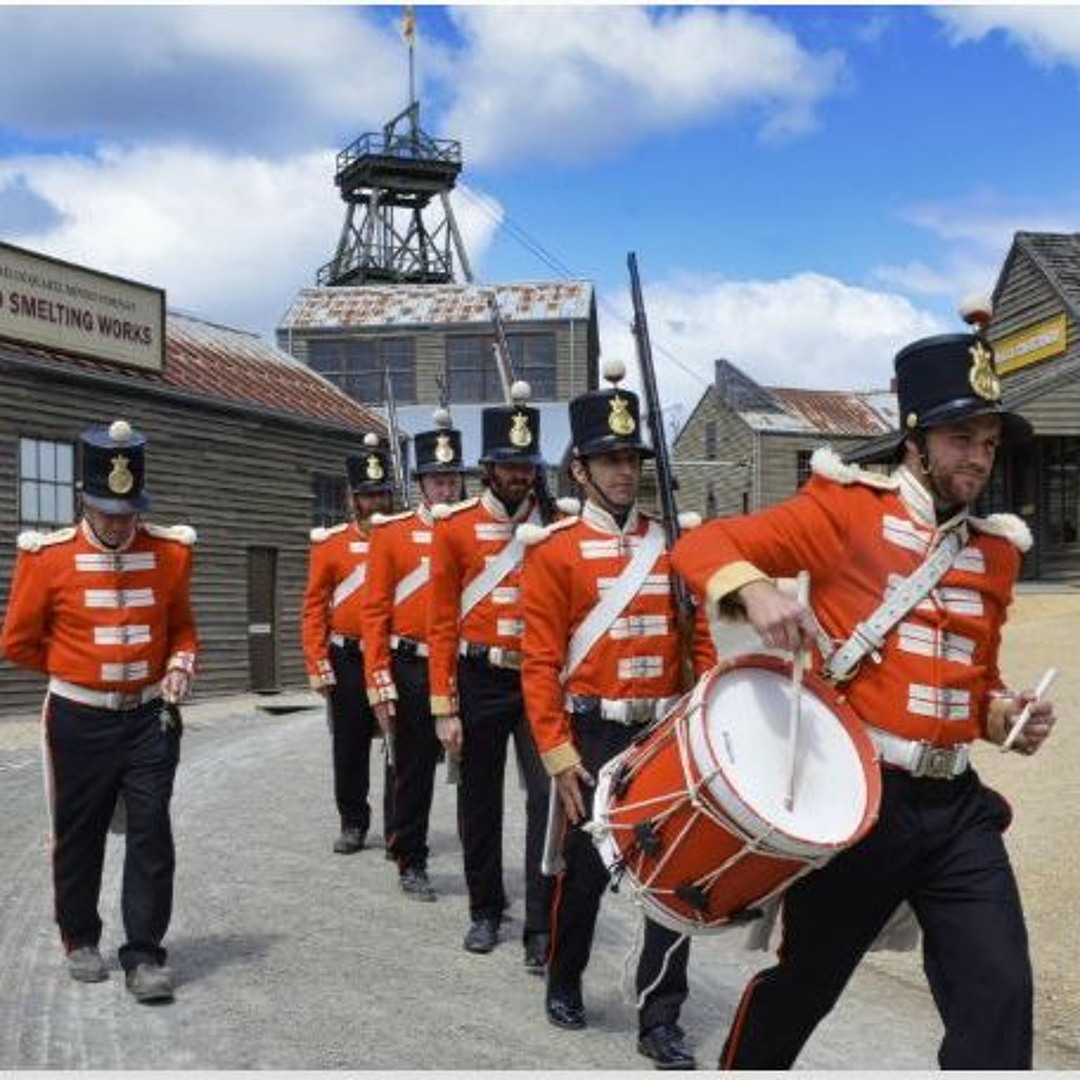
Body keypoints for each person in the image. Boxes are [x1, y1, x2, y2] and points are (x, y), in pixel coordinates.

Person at [670, 326, 1058, 1070]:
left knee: (999, 990)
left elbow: (972, 689)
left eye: (988, 442)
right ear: (915, 438)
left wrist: (1006, 717)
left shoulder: (998, 552)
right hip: (865, 803)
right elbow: (702, 547)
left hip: (957, 813)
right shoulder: (844, 510)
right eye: (960, 438)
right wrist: (753, 589)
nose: (978, 457)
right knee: (806, 987)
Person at [520, 363, 716, 1069]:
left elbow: (702, 645)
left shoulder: (675, 544)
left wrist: (709, 711)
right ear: (581, 468)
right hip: (591, 733)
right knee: (581, 868)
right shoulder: (555, 555)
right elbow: (539, 663)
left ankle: (660, 1014)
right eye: (611, 458)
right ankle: (566, 974)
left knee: (674, 877)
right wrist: (556, 751)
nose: (625, 471)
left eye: (633, 458)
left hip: (663, 731)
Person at [1, 419, 198, 1003]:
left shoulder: (169, 553)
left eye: (128, 511)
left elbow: (183, 628)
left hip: (148, 717)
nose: (119, 523)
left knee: (151, 832)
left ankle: (144, 953)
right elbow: (17, 641)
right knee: (78, 832)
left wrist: (180, 664)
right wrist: (77, 670)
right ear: (84, 503)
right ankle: (79, 936)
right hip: (78, 717)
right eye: (107, 511)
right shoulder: (47, 559)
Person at [426, 381, 554, 971]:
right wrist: (442, 705)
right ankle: (485, 908)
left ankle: (540, 922)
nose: (518, 476)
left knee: (548, 798)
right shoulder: (453, 529)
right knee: (478, 800)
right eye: (508, 466)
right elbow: (441, 623)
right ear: (488, 468)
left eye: (527, 466)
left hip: (537, 678)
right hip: (477, 679)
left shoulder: (558, 525)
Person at [361, 408, 467, 902]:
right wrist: (378, 681)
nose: (446, 489)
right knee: (413, 769)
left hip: (465, 664)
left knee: (476, 771)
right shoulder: (392, 534)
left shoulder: (476, 530)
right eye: (437, 480)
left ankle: (479, 863)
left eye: (452, 479)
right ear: (421, 484)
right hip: (410, 666)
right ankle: (411, 857)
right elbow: (374, 613)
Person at [301, 432, 395, 856]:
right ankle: (353, 822)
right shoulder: (332, 545)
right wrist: (318, 663)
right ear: (354, 499)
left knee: (399, 742)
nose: (376, 503)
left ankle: (400, 825)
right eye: (368, 496)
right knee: (351, 743)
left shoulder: (401, 537)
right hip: (347, 655)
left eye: (382, 494)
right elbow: (314, 608)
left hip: (393, 651)